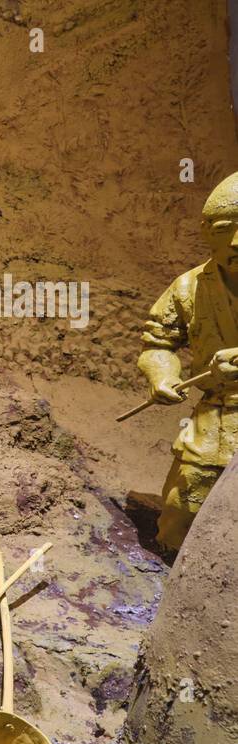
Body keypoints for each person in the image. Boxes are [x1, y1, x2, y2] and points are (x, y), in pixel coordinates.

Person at [139, 171, 238, 552]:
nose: (236, 240)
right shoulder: (188, 288)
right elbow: (157, 345)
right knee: (181, 512)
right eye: (225, 228)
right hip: (215, 418)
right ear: (206, 231)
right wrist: (162, 377)